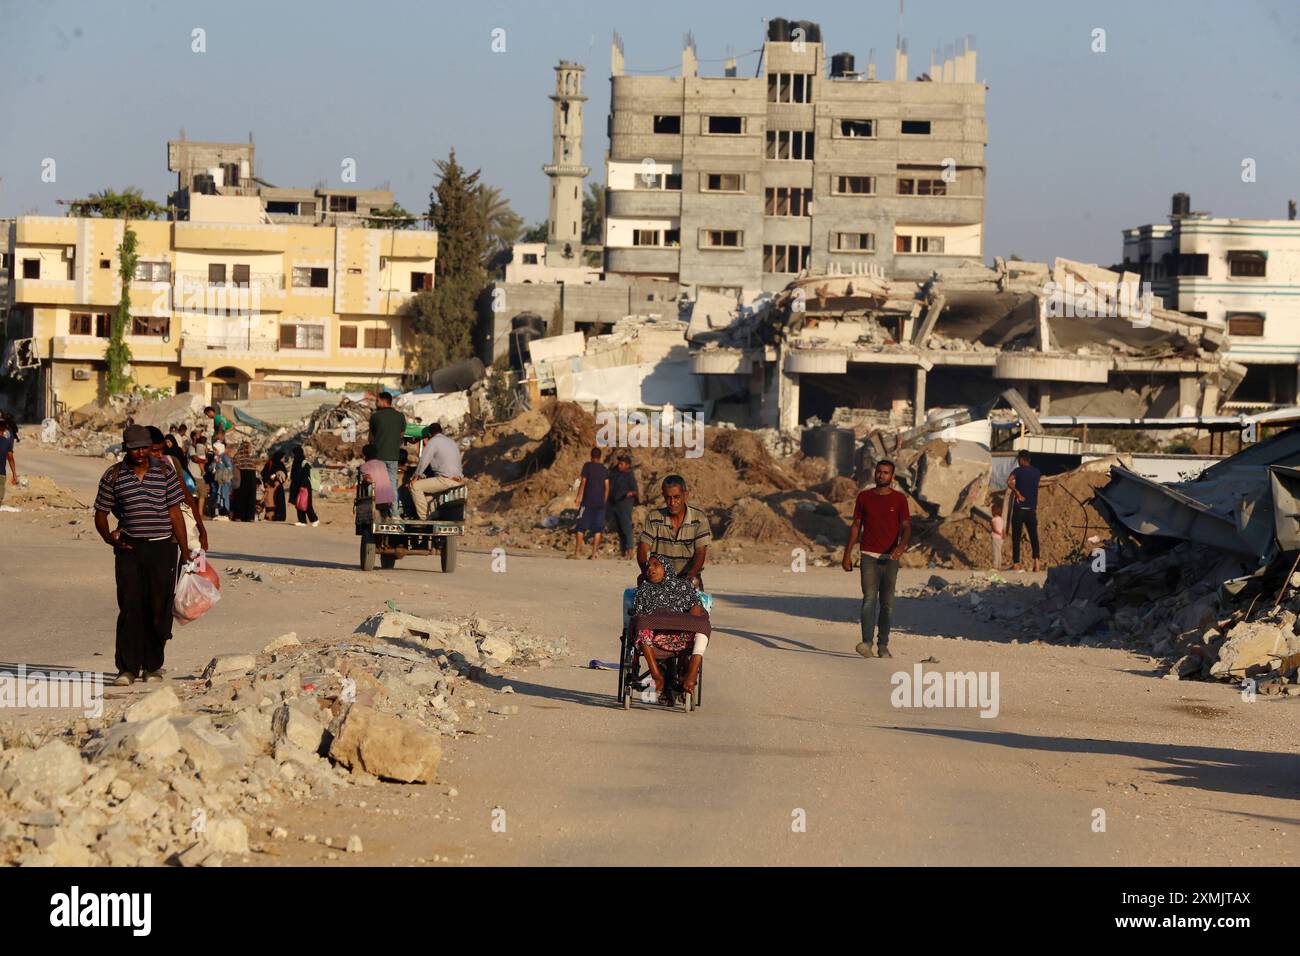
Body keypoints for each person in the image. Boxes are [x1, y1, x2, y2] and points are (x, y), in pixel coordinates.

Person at [93, 424, 190, 686]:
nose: (140, 453)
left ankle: (152, 666)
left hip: (163, 548)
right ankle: (127, 668)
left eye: (144, 447)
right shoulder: (114, 475)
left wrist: (185, 548)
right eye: (134, 448)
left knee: (159, 608)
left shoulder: (165, 472)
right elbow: (101, 513)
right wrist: (108, 538)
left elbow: (175, 512)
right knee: (130, 607)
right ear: (126, 448)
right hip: (129, 550)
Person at [842, 460, 911, 660]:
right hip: (868, 556)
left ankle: (883, 644)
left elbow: (906, 526)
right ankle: (866, 643)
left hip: (890, 558)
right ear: (875, 474)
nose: (881, 476)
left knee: (887, 603)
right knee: (869, 599)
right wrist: (847, 555)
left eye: (886, 473)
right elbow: (856, 526)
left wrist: (900, 547)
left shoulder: (899, 500)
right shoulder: (864, 497)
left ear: (892, 477)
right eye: (879, 472)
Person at [630, 552, 709, 699]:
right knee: (641, 625)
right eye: (648, 566)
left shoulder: (683, 586)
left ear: (666, 568)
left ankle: (691, 674)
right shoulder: (644, 590)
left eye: (656, 565)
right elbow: (639, 614)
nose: (650, 569)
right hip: (655, 637)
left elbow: (696, 608)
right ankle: (656, 674)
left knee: (702, 625)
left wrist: (694, 612)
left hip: (681, 635)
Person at [637, 474, 710, 588]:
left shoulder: (699, 518)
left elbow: (700, 552)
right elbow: (642, 548)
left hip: (687, 576)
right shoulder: (654, 518)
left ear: (685, 495)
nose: (672, 502)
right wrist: (646, 570)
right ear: (664, 496)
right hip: (659, 578)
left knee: (696, 586)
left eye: (676, 497)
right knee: (641, 581)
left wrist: (692, 574)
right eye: (668, 497)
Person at [156, 428, 208, 554]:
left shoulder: (172, 462)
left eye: (160, 450)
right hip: (142, 536)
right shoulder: (129, 469)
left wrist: (202, 529)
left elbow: (185, 495)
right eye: (153, 450)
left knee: (193, 552)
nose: (158, 455)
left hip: (170, 529)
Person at [408, 423, 464, 518]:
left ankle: (425, 518)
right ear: (441, 431)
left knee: (415, 486)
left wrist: (415, 476)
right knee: (429, 496)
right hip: (458, 480)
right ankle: (433, 515)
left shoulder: (433, 441)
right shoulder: (451, 441)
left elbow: (424, 461)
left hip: (446, 480)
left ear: (430, 434)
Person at [368, 392, 407, 518]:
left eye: (377, 400)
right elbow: (402, 434)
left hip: (379, 456)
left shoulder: (375, 417)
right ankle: (395, 513)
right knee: (392, 485)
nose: (376, 403)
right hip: (393, 456)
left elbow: (371, 438)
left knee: (380, 485)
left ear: (384, 401)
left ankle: (383, 513)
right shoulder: (400, 416)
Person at [1007, 450, 1042, 573]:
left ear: (1021, 459)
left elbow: (1009, 481)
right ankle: (1036, 563)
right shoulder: (1037, 472)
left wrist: (1017, 492)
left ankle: (1016, 563)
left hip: (1019, 509)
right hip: (1031, 510)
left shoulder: (1018, 471)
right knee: (1034, 537)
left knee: (1016, 537)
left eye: (1018, 459)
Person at [571, 447, 609, 560]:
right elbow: (607, 487)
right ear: (600, 456)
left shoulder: (587, 466)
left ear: (591, 456)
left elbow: (583, 482)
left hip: (587, 502)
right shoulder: (604, 469)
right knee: (598, 529)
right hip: (600, 504)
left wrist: (578, 497)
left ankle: (577, 553)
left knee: (581, 526)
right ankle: (593, 554)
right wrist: (604, 501)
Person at [609, 453, 639, 559]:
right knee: (620, 529)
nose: (619, 465)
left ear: (627, 465)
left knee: (627, 528)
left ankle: (630, 551)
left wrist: (630, 494)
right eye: (619, 463)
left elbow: (635, 490)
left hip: (625, 504)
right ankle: (623, 551)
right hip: (616, 504)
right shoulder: (616, 474)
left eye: (622, 464)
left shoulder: (629, 475)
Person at [359, 443, 396, 516]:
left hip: (376, 499)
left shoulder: (364, 466)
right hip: (388, 498)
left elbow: (368, 480)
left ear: (365, 455)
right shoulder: (382, 464)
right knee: (384, 517)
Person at [231, 442, 261, 522]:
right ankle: (238, 516)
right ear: (245, 448)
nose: (250, 449)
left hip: (250, 480)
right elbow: (234, 469)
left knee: (250, 497)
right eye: (249, 447)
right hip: (241, 479)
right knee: (240, 497)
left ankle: (249, 517)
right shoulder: (237, 457)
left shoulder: (250, 458)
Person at [289, 445, 319, 526]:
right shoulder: (296, 462)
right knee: (298, 503)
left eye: (295, 454)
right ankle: (302, 521)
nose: (294, 456)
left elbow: (305, 475)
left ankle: (314, 519)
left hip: (304, 486)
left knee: (307, 504)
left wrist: (303, 485)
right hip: (297, 486)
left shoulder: (304, 463)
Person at [261, 451, 289, 522]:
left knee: (276, 501)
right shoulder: (271, 463)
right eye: (283, 457)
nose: (283, 459)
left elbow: (284, 475)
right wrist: (271, 480)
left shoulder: (277, 464)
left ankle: (278, 516)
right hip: (272, 487)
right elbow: (264, 473)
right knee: (271, 501)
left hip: (276, 486)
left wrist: (277, 481)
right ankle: (272, 516)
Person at [188, 429, 209, 519]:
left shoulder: (200, 446)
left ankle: (200, 514)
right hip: (193, 475)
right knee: (192, 495)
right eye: (198, 435)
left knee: (202, 494)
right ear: (194, 437)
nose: (200, 436)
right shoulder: (192, 447)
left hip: (200, 476)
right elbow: (195, 459)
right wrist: (204, 460)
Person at [211, 440, 234, 520]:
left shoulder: (224, 456)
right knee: (218, 496)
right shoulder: (216, 457)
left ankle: (226, 512)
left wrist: (219, 464)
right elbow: (211, 468)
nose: (214, 451)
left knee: (224, 496)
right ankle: (218, 513)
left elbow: (230, 467)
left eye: (215, 449)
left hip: (224, 480)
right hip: (218, 480)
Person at [0, 418, 17, 507]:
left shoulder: (6, 442)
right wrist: (14, 474)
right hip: (1, 475)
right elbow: (10, 458)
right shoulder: (7, 442)